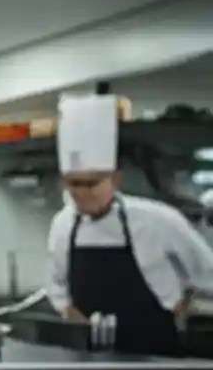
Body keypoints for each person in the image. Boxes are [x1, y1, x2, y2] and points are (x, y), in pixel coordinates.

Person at [47, 93, 213, 356]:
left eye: (92, 183)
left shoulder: (158, 220)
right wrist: (69, 312)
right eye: (74, 184)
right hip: (90, 358)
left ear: (114, 178)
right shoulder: (62, 225)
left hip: (157, 356)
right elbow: (57, 285)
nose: (82, 193)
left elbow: (207, 274)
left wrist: (186, 308)